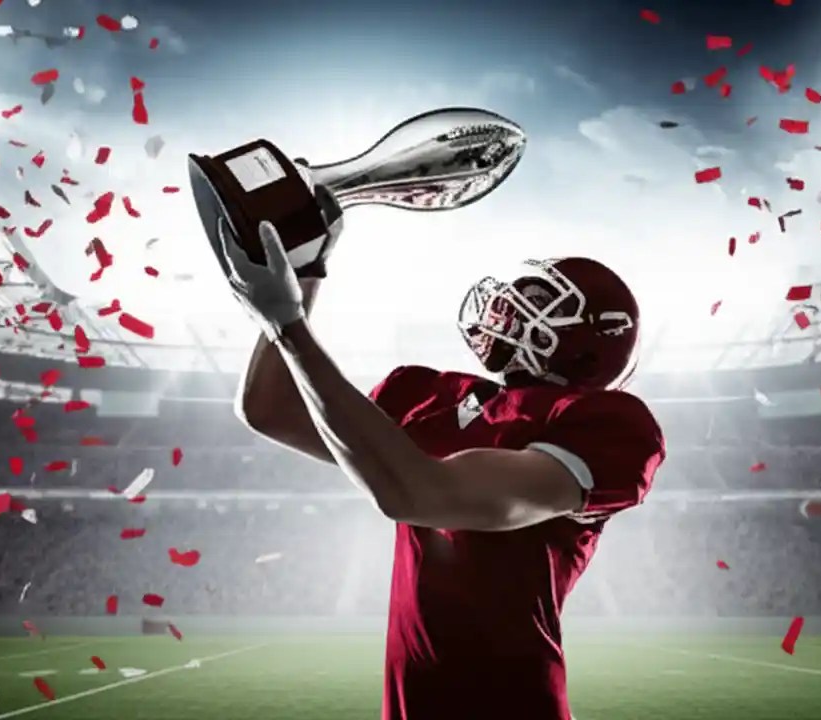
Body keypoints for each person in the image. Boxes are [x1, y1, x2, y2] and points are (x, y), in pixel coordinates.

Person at [220, 215, 664, 720]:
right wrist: (303, 273)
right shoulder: (428, 391)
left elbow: (422, 495)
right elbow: (270, 409)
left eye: (538, 301)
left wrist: (289, 326)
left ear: (592, 341)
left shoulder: (608, 423)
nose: (507, 305)